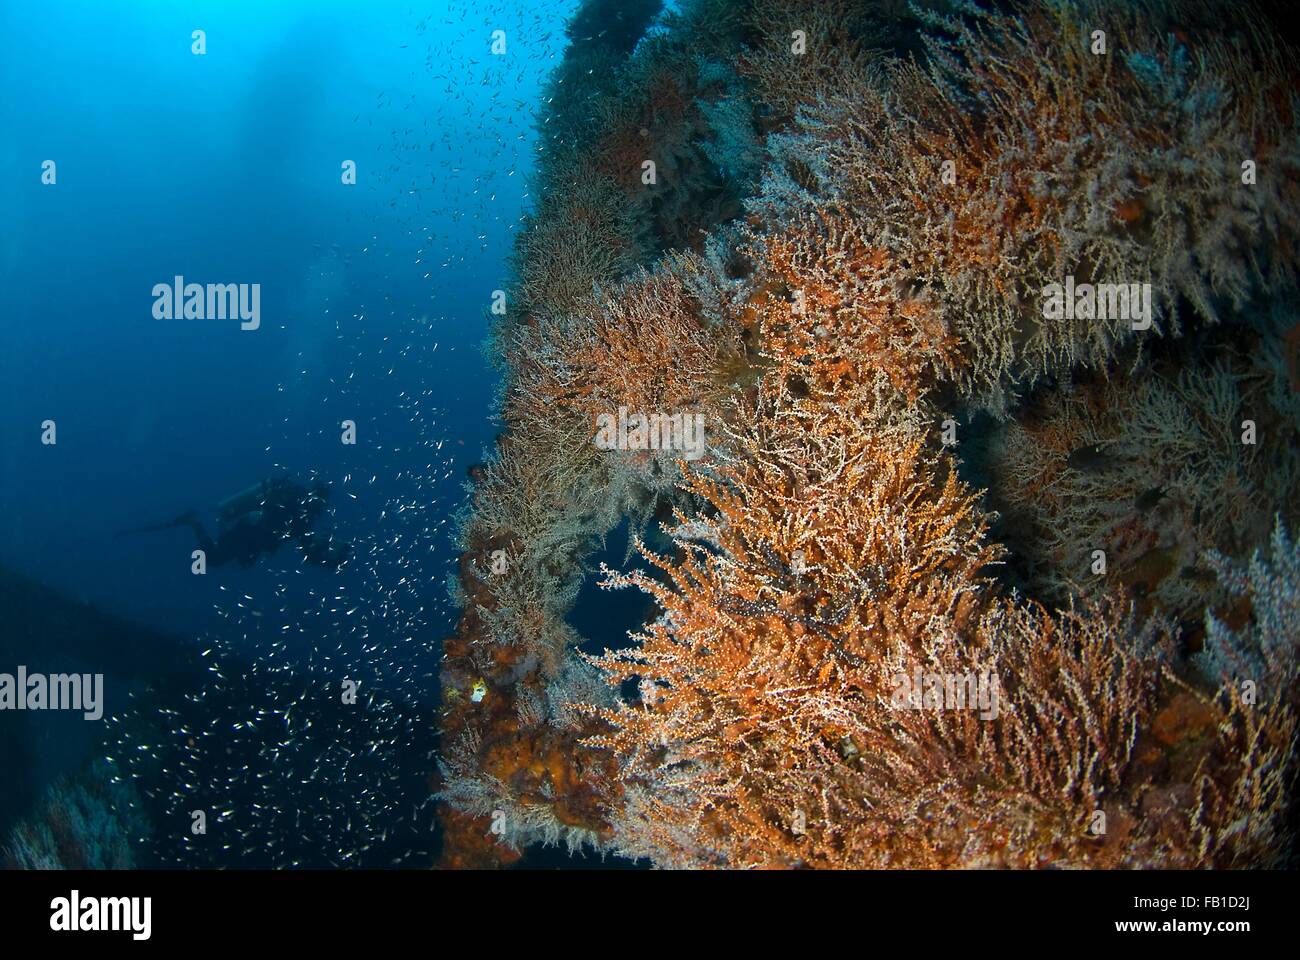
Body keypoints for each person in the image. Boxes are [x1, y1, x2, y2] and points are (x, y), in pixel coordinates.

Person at [165, 476, 351, 570]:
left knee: (221, 556)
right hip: (251, 531)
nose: (321, 506)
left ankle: (203, 522)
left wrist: (326, 553)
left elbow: (305, 545)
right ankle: (195, 521)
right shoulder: (298, 504)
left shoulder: (304, 516)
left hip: (255, 537)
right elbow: (275, 513)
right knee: (215, 558)